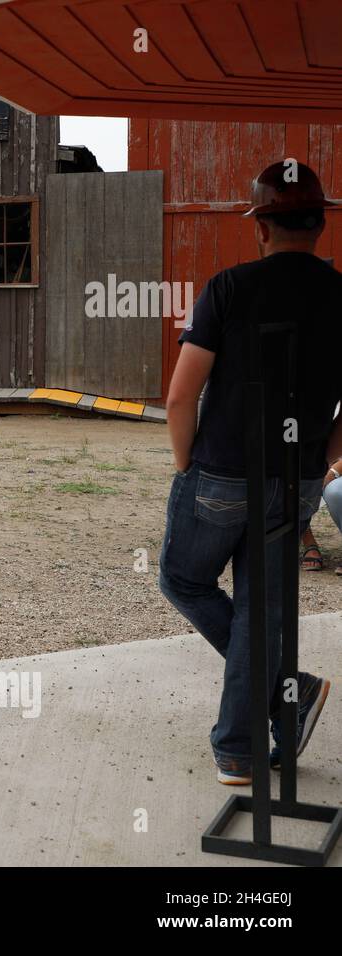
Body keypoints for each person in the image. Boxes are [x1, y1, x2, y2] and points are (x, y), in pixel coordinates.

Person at [160, 159, 342, 786]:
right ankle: (243, 746)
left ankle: (281, 702)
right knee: (259, 611)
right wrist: (325, 457)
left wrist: (186, 466)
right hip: (299, 480)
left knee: (184, 580)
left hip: (221, 474)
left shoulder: (229, 288)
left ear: (260, 227)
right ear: (320, 225)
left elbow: (182, 397)